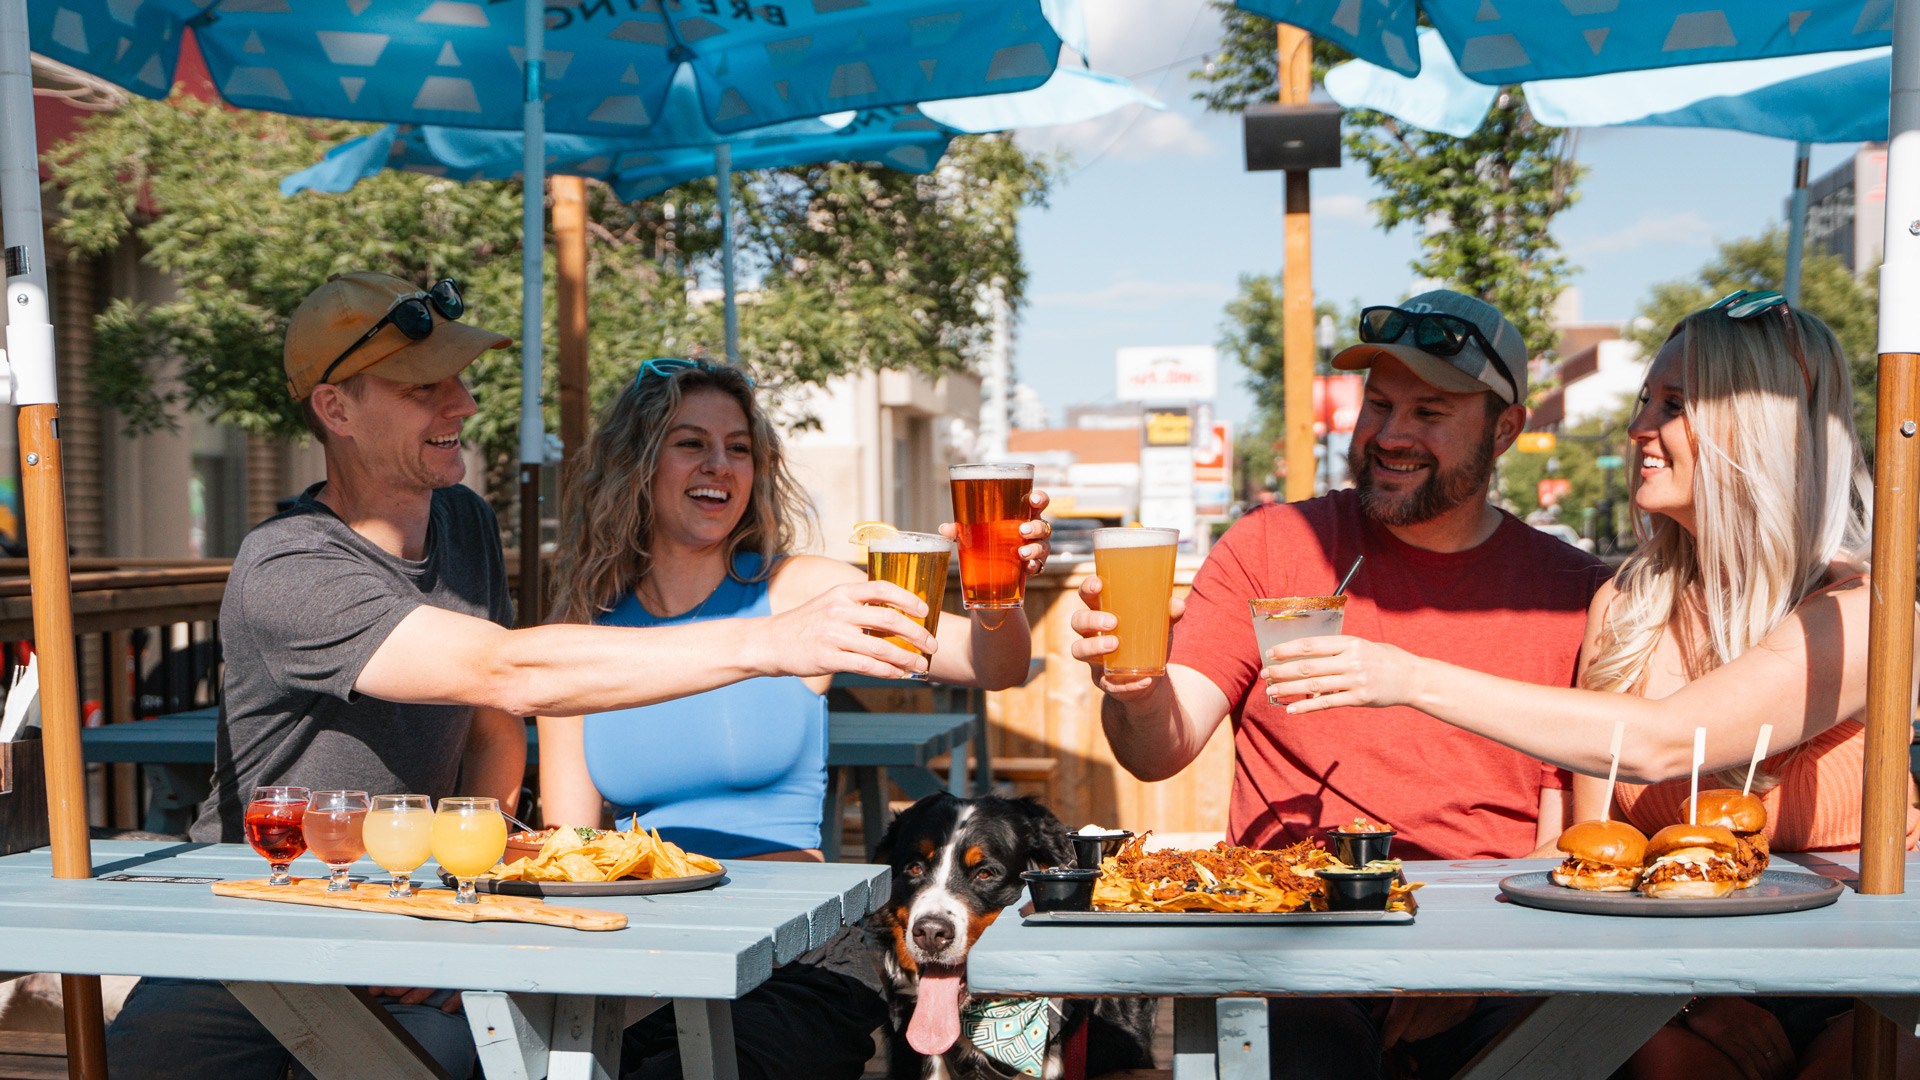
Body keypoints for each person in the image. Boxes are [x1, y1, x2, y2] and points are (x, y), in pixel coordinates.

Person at [106, 273, 940, 1080]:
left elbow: (490, 729)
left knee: (500, 1052)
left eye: (458, 379)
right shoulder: (288, 565)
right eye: (424, 387)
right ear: (336, 409)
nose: (463, 403)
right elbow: (504, 672)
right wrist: (771, 641)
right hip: (261, 907)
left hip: (401, 910)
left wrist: (466, 900)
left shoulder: (462, 521)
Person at [1266, 291, 1920, 1080]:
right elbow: (1585, 858)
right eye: (1646, 399)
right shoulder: (1625, 606)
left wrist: (1406, 676)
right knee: (1651, 1057)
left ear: (1758, 430)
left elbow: (1663, 744)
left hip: (1853, 972)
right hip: (1675, 977)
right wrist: (1697, 997)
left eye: (1674, 405)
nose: (1639, 426)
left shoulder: (1864, 613)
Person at [1069, 290, 1612, 1080]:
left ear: (1505, 429)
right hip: (1291, 939)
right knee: (1298, 1041)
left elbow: (1572, 842)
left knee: (1593, 1034)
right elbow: (1159, 750)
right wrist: (1133, 685)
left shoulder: (1576, 591)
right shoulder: (1271, 544)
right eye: (1379, 404)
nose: (1390, 435)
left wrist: (1474, 968)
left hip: (1490, 955)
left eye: (1430, 412)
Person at [535, 358, 1051, 1079]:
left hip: (794, 956)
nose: (719, 465)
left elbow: (992, 665)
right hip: (646, 949)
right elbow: (571, 851)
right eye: (690, 443)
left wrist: (1002, 586)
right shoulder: (582, 632)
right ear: (637, 466)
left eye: (738, 448)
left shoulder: (798, 592)